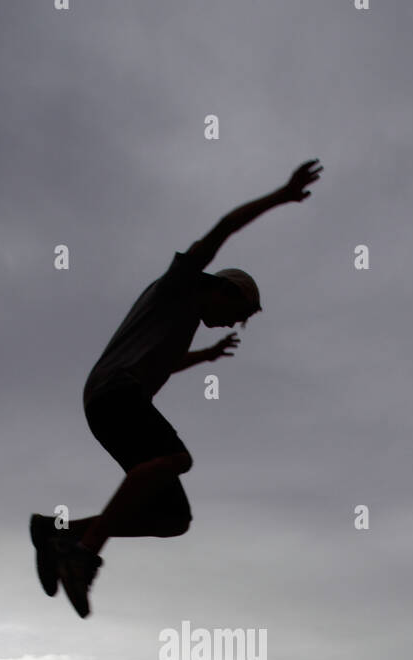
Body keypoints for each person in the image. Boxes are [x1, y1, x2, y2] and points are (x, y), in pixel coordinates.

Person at [30, 158, 323, 616]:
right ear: (223, 290)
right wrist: (282, 196)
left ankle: (58, 533)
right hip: (114, 392)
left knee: (173, 519)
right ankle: (82, 554)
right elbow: (225, 226)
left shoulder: (180, 324)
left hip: (112, 399)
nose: (232, 323)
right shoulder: (181, 285)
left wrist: (204, 358)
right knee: (176, 459)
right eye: (237, 313)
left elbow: (164, 361)